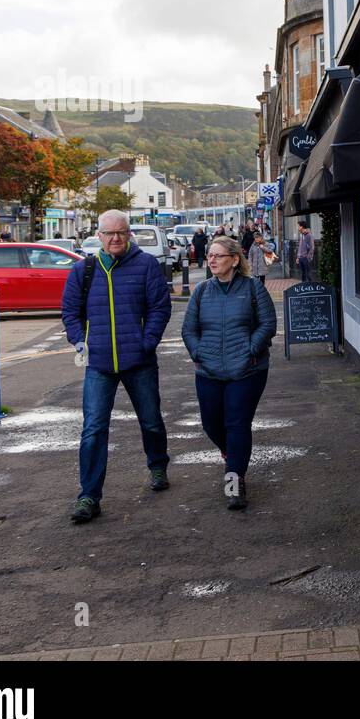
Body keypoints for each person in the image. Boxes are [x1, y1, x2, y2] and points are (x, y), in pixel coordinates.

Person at [61, 209, 173, 523]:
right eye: (109, 233)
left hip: (139, 360)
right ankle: (89, 496)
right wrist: (79, 340)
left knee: (150, 420)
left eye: (120, 233)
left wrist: (146, 341)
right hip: (98, 363)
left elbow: (159, 309)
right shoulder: (84, 271)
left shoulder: (146, 266)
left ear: (129, 235)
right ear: (98, 236)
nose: (114, 238)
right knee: (93, 429)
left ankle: (157, 466)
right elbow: (70, 311)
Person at [181, 236, 276, 510]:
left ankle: (235, 482)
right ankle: (231, 452)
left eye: (218, 256)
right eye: (210, 255)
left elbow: (268, 323)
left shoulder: (253, 288)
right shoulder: (201, 291)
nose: (211, 260)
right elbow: (189, 330)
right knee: (211, 423)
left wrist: (251, 350)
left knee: (236, 424)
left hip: (247, 370)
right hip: (208, 370)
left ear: (234, 260)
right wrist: (198, 353)